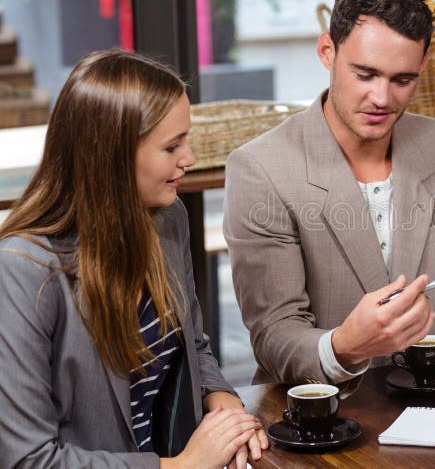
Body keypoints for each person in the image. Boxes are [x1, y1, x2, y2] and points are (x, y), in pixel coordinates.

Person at [223, 0, 435, 391]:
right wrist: (345, 346)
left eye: (402, 80)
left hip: (433, 404)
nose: (383, 99)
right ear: (327, 52)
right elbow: (274, 333)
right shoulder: (260, 167)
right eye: (365, 74)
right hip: (323, 417)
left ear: (423, 65)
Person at [0, 50, 270, 467]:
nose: (190, 158)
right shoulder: (23, 269)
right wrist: (179, 466)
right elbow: (27, 459)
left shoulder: (168, 219)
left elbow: (193, 345)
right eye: (172, 146)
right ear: (113, 155)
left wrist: (222, 402)